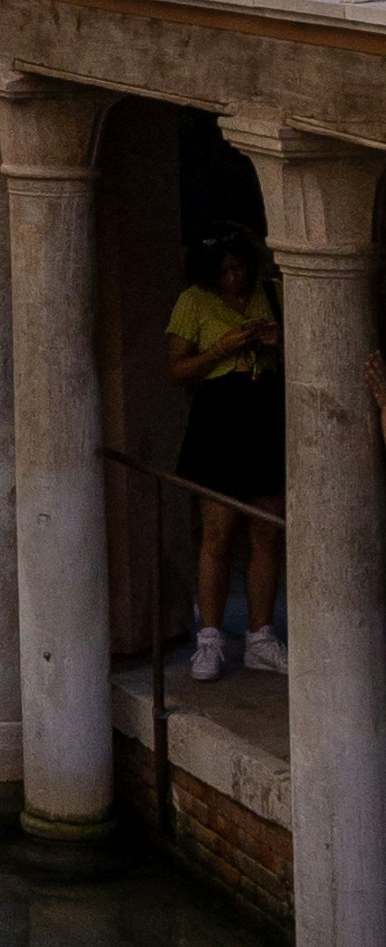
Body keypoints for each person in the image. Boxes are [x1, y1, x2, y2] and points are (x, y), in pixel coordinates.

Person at [167, 233, 284, 678]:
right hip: (218, 420)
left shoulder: (270, 292)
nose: (234, 277)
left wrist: (275, 343)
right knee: (216, 534)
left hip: (264, 415)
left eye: (240, 268)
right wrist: (222, 348)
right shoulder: (193, 301)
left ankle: (261, 637)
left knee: (267, 532)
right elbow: (177, 370)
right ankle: (210, 639)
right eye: (225, 270)